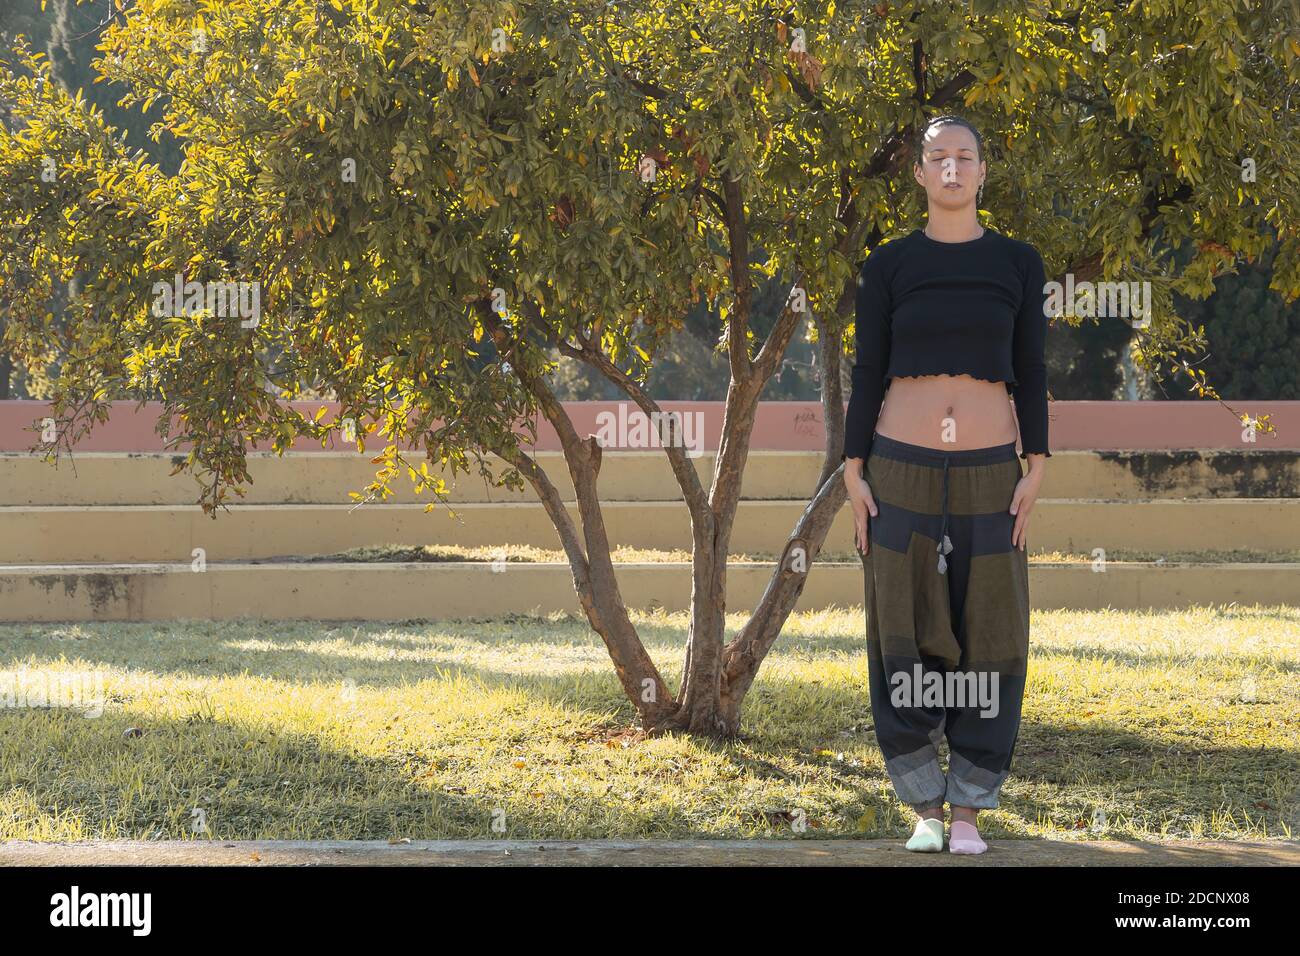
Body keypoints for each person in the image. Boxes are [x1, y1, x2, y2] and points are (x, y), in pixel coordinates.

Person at [842, 115, 1050, 855]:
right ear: (922, 175)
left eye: (966, 155)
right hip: (899, 464)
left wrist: (1038, 467)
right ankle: (923, 807)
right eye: (940, 158)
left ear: (984, 171)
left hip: (993, 472)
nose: (953, 168)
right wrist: (852, 467)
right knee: (898, 627)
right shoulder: (891, 264)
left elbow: (1030, 366)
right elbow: (868, 371)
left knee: (992, 630)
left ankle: (969, 810)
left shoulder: (1019, 263)